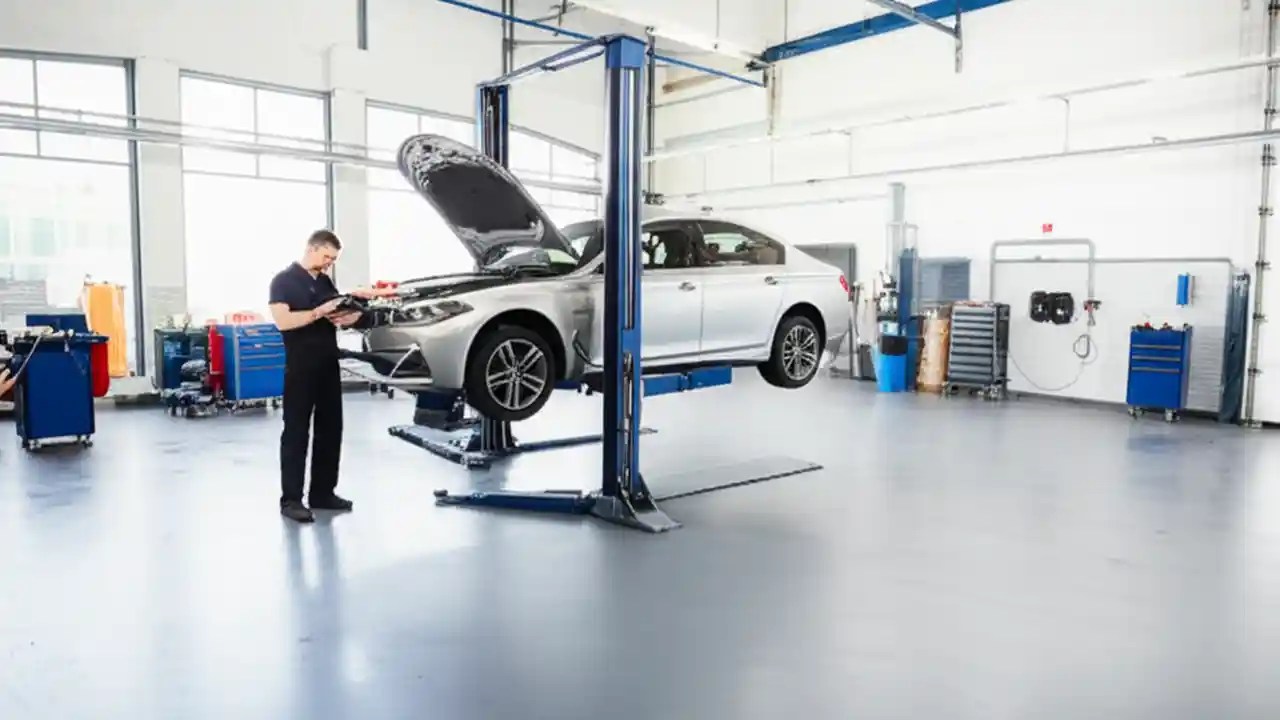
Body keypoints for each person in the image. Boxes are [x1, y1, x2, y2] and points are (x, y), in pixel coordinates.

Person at [268, 229, 385, 523]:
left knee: (330, 431)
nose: (329, 263)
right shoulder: (283, 282)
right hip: (300, 368)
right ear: (311, 248)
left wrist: (356, 308)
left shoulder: (325, 281)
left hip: (327, 365)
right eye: (326, 257)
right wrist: (319, 311)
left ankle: (322, 492)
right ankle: (291, 500)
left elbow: (338, 317)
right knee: (296, 432)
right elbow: (284, 322)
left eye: (333, 260)